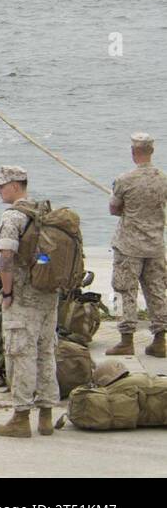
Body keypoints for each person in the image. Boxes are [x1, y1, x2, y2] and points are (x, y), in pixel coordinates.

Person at [0, 165, 58, 438]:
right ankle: (46, 417)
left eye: (2, 185)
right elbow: (48, 256)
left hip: (24, 297)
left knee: (20, 354)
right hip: (48, 295)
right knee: (46, 352)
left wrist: (7, 293)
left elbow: (6, 257)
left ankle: (20, 418)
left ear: (16, 186)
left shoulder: (13, 217)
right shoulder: (44, 212)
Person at [107, 132, 167, 357]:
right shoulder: (163, 178)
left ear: (134, 152)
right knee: (157, 290)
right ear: (152, 151)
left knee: (125, 290)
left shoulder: (124, 180)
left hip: (129, 246)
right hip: (155, 245)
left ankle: (126, 340)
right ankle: (160, 340)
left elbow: (114, 209)